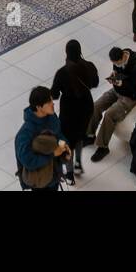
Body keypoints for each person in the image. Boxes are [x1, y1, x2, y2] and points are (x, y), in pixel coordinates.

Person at [50, 40, 99, 181]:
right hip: (86, 107)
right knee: (79, 136)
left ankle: (70, 173)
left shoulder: (62, 73)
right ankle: (78, 164)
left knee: (67, 141)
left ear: (66, 53)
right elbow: (95, 83)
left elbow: (55, 94)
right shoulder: (89, 66)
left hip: (69, 111)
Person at [87, 46, 136, 162]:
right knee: (96, 106)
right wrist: (114, 76)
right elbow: (119, 72)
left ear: (123, 57)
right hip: (116, 90)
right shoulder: (117, 59)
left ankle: (102, 147)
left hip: (130, 97)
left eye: (116, 63)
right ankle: (89, 135)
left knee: (109, 114)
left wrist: (120, 83)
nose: (115, 65)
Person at [15, 87, 70, 191]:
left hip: (55, 175)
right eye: (49, 102)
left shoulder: (52, 117)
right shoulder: (26, 133)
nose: (53, 104)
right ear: (39, 107)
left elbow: (59, 135)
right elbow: (28, 161)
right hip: (40, 181)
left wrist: (64, 147)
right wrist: (53, 154)